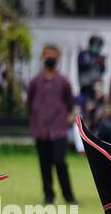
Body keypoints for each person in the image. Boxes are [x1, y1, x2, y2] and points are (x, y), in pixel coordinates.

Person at [28, 43, 77, 205]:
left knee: (60, 161)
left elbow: (69, 102)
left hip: (58, 129)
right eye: (48, 55)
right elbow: (29, 103)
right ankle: (48, 196)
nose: (51, 58)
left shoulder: (63, 82)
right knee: (44, 163)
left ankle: (68, 196)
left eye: (53, 56)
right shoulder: (35, 81)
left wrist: (66, 116)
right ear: (43, 57)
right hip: (41, 129)